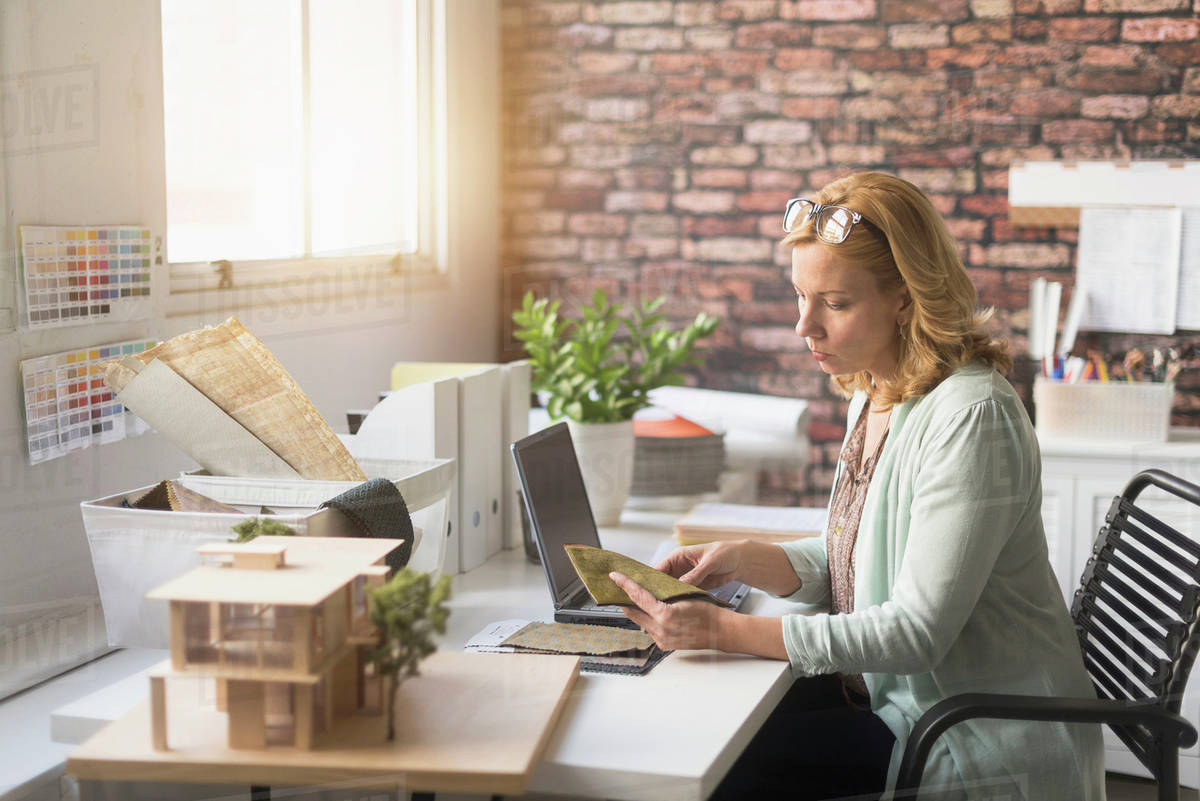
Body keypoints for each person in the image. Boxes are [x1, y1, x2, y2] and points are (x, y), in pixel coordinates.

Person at [608, 172, 1105, 800]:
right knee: (693, 734)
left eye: (835, 304)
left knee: (717, 771)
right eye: (800, 296)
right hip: (899, 705)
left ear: (906, 297)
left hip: (972, 737)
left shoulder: (971, 417)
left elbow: (913, 632)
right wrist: (741, 560)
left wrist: (721, 631)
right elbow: (854, 556)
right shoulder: (876, 390)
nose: (804, 326)